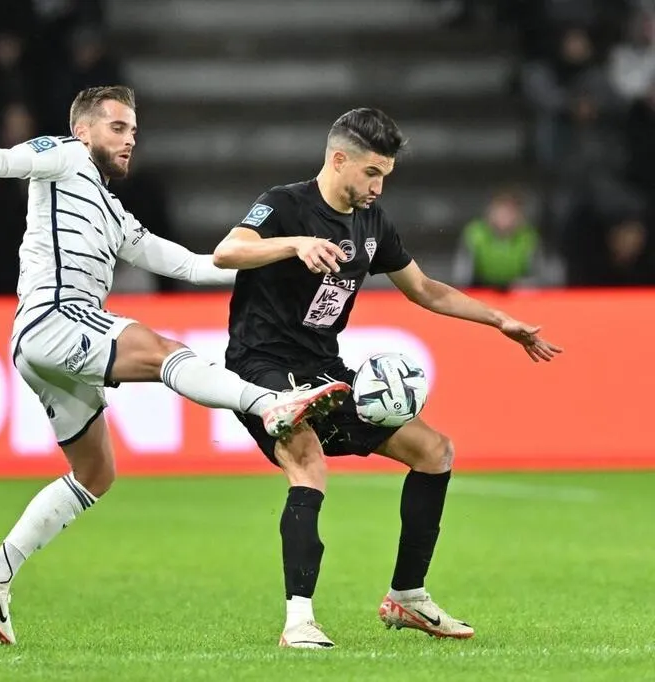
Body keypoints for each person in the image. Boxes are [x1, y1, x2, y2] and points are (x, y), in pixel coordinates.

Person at [0, 85, 350, 645]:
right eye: (118, 127)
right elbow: (16, 159)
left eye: (134, 130)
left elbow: (188, 264)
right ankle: (270, 403)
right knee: (163, 352)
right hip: (57, 317)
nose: (130, 139)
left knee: (95, 474)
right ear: (85, 130)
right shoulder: (66, 155)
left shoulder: (112, 213)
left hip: (40, 348)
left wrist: (282, 254)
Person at [212, 108, 563, 649]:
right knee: (307, 461)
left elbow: (425, 290)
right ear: (338, 160)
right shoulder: (285, 204)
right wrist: (293, 244)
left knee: (435, 451)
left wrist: (500, 320)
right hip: (261, 368)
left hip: (324, 369)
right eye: (372, 173)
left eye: (385, 175)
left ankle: (407, 596)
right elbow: (227, 251)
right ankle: (299, 621)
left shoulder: (373, 224)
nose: (379, 186)